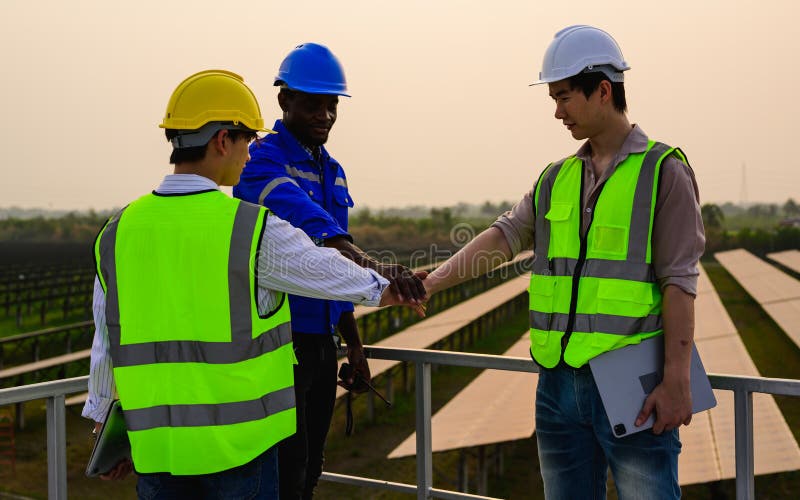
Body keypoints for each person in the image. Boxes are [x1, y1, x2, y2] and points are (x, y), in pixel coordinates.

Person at [82, 69, 414, 499]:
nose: (252, 150)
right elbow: (325, 269)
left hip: (156, 452)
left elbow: (107, 341)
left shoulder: (116, 232)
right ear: (223, 140)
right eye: (247, 140)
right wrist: (392, 287)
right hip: (237, 456)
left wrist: (107, 428)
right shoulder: (249, 229)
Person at [422, 25, 705, 499]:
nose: (557, 112)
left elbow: (680, 280)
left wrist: (676, 380)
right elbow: (505, 236)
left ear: (603, 90)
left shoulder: (664, 171)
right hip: (556, 386)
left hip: (633, 383)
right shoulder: (556, 178)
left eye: (564, 97)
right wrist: (431, 282)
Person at [233, 42, 425, 500]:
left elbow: (331, 273)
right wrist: (377, 269)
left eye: (332, 105)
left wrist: (354, 346)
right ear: (284, 101)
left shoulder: (333, 172)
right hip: (277, 346)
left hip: (321, 345)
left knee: (312, 463)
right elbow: (321, 232)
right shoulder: (261, 161)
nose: (325, 115)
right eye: (313, 104)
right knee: (286, 468)